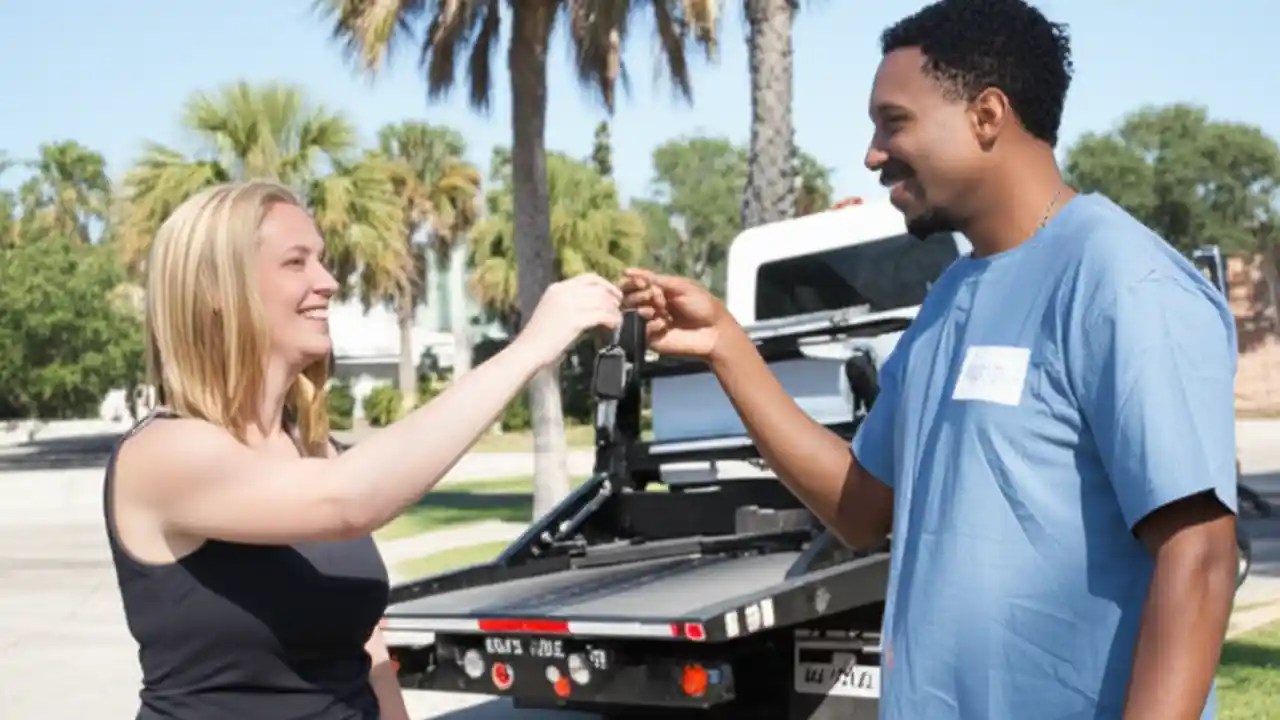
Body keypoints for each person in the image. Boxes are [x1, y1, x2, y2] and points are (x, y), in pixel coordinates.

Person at [620, 1, 1239, 718]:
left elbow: (1199, 555)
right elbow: (861, 510)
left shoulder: (1122, 279)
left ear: (987, 115)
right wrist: (725, 347)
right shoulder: (952, 295)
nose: (872, 153)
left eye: (894, 121)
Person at [104, 179, 622, 719]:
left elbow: (367, 649)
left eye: (322, 260)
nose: (328, 282)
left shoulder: (315, 450)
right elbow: (349, 501)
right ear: (215, 289)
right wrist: (530, 349)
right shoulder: (163, 453)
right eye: (296, 262)